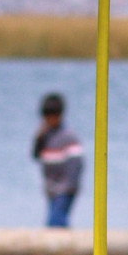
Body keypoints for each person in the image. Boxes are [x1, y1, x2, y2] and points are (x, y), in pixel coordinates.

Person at [32, 93, 83, 228]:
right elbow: (35, 155)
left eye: (53, 116)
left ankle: (65, 246)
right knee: (56, 221)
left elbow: (76, 165)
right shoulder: (45, 136)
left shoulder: (68, 136)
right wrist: (38, 138)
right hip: (51, 189)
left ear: (60, 115)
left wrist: (68, 187)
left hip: (65, 189)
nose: (50, 120)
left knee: (55, 222)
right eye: (47, 117)